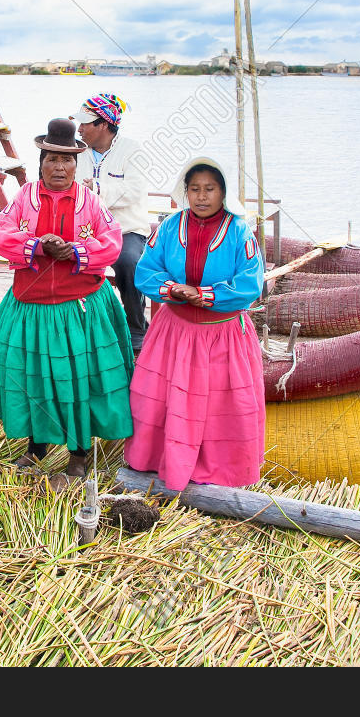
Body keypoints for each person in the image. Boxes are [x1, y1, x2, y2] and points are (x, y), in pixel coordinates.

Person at [0, 117, 133, 478]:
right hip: (32, 308)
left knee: (78, 379)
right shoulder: (25, 198)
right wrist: (36, 245)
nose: (59, 167)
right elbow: (2, 235)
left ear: (76, 163)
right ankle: (36, 448)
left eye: (66, 160)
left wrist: (76, 252)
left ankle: (78, 454)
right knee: (34, 377)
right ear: (41, 163)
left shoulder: (89, 201)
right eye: (51, 159)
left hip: (77, 310)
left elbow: (111, 243)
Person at [124, 156, 266, 491]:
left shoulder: (239, 232)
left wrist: (204, 295)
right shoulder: (172, 227)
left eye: (210, 189)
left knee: (219, 404)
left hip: (222, 336)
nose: (201, 197)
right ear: (184, 192)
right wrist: (173, 290)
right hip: (175, 331)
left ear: (223, 192)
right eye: (194, 189)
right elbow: (146, 270)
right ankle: (159, 461)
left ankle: (220, 471)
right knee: (162, 399)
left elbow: (250, 284)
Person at [74, 94, 151, 355]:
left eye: (85, 123)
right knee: (69, 260)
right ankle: (79, 323)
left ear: (104, 125)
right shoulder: (77, 151)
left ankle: (136, 327)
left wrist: (97, 189)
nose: (79, 128)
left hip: (127, 230)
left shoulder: (132, 150)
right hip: (86, 229)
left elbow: (135, 190)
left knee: (129, 263)